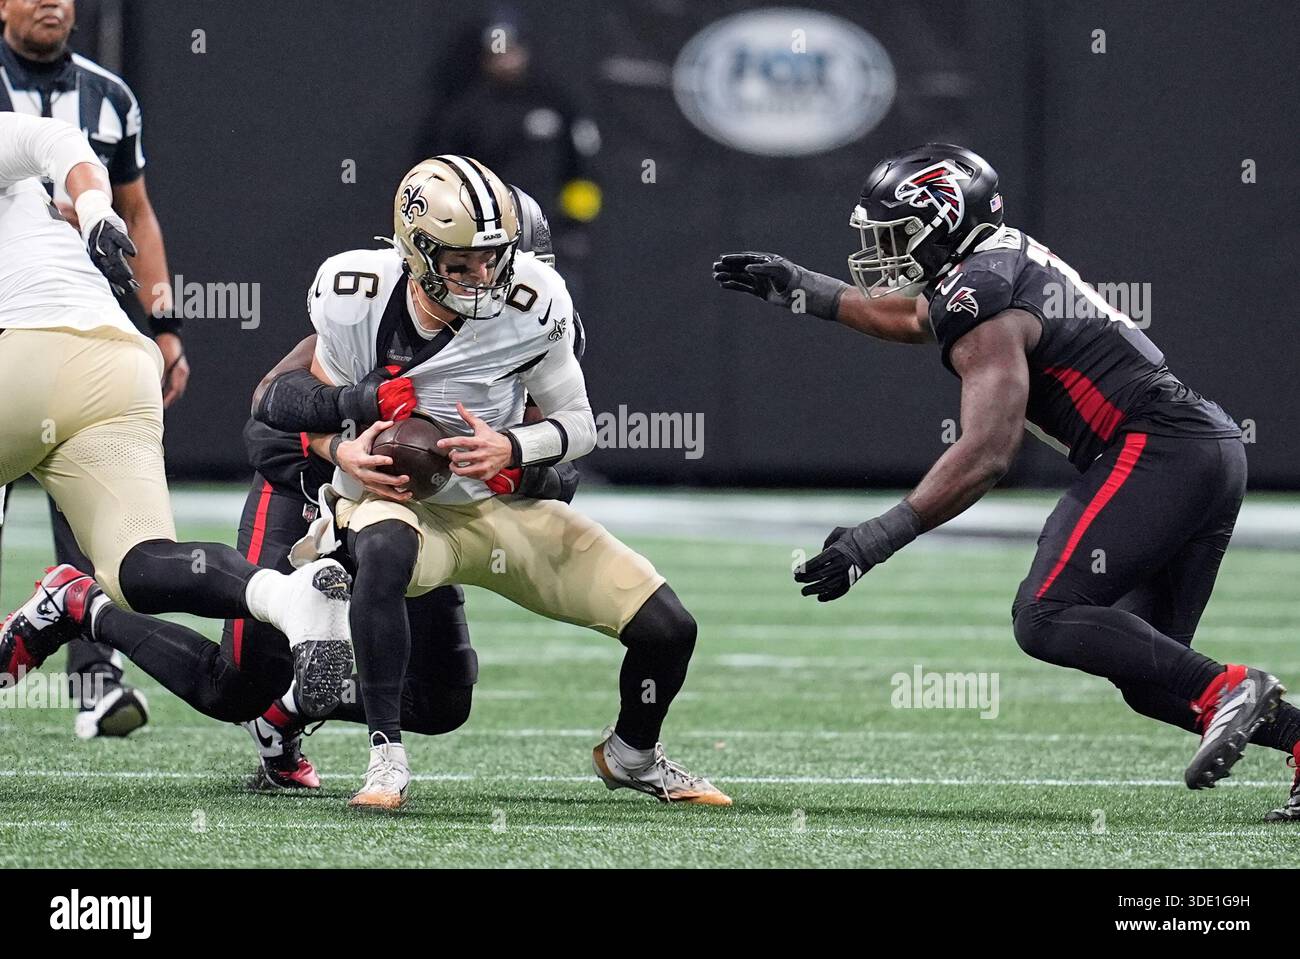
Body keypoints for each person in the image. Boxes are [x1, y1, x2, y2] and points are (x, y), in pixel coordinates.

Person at [713, 142, 1300, 821]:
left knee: (1046, 614)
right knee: (1154, 677)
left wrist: (875, 539)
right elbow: (914, 317)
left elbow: (989, 451)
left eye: (898, 234)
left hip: (1157, 446)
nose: (885, 250)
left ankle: (1233, 685)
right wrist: (803, 288)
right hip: (1204, 449)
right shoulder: (992, 264)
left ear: (946, 219)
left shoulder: (980, 288)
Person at [258, 154, 727, 810]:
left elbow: (580, 426)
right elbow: (305, 402)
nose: (484, 275)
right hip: (399, 504)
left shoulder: (535, 299)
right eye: (461, 262)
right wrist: (344, 449)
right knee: (386, 552)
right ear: (417, 251)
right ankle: (384, 755)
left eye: (494, 256)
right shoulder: (353, 290)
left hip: (494, 506)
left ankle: (632, 753)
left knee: (668, 625)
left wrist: (511, 445)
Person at [0, 112, 353, 734]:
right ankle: (290, 600)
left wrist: (91, 207)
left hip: (26, 351)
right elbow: (59, 141)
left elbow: (53, 142)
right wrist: (93, 209)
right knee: (141, 565)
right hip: (114, 362)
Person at [0, 0, 187, 738]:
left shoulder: (109, 96)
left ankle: (96, 675)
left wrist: (165, 323)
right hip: (25, 319)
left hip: (73, 321)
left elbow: (137, 214)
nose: (54, 3)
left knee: (92, 512)